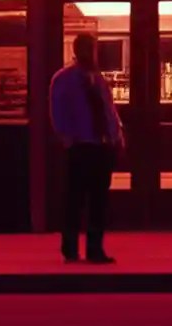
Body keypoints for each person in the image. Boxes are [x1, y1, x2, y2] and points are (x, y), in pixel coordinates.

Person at [50, 33, 125, 264]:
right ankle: (70, 248)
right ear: (79, 50)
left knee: (98, 201)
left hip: (101, 145)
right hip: (81, 145)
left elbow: (108, 110)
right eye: (88, 48)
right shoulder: (64, 78)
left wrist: (116, 134)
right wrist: (67, 138)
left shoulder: (97, 79)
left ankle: (95, 248)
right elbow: (58, 110)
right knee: (75, 199)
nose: (91, 53)